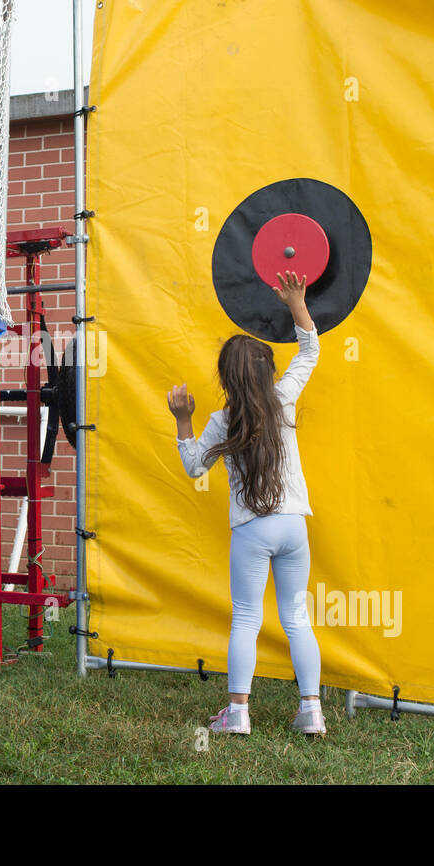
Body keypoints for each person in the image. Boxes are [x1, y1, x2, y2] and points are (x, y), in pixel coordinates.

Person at [167, 270, 325, 737]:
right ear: (268, 373)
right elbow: (311, 351)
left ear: (225, 379)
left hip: (252, 532)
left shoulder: (221, 421)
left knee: (246, 618)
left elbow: (195, 466)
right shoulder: (283, 400)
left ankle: (237, 714)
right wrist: (296, 302)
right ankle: (311, 711)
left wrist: (183, 420)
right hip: (294, 524)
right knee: (296, 617)